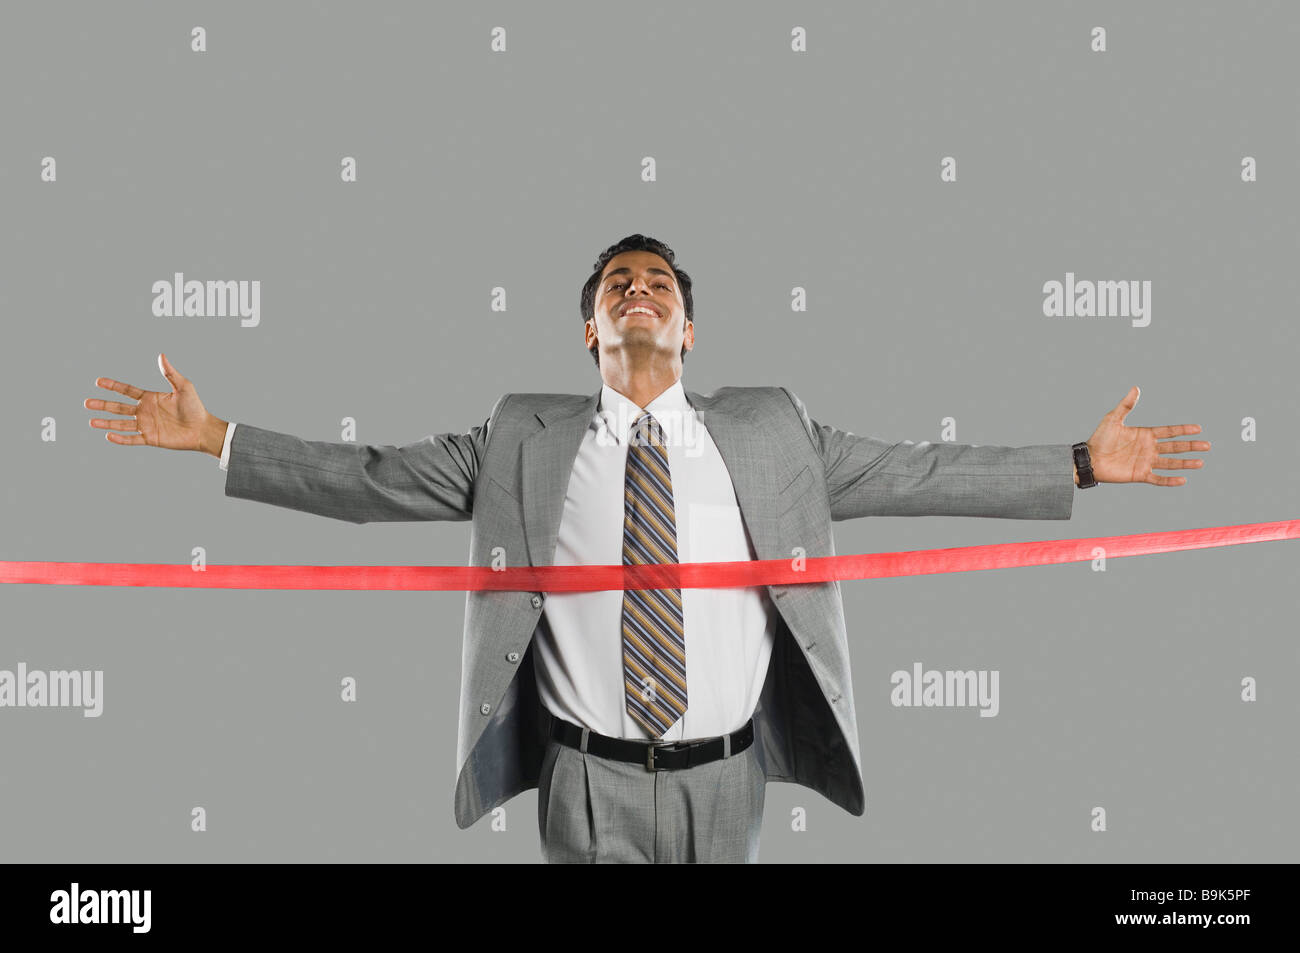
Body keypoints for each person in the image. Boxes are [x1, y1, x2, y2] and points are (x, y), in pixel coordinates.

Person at [84, 234, 1210, 863]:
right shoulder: (521, 434)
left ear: (686, 328)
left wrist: (1075, 460)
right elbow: (370, 479)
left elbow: (919, 469)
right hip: (581, 779)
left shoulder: (772, 429)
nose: (638, 290)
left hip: (728, 777)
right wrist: (215, 439)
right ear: (589, 329)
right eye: (616, 283)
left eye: (658, 284)